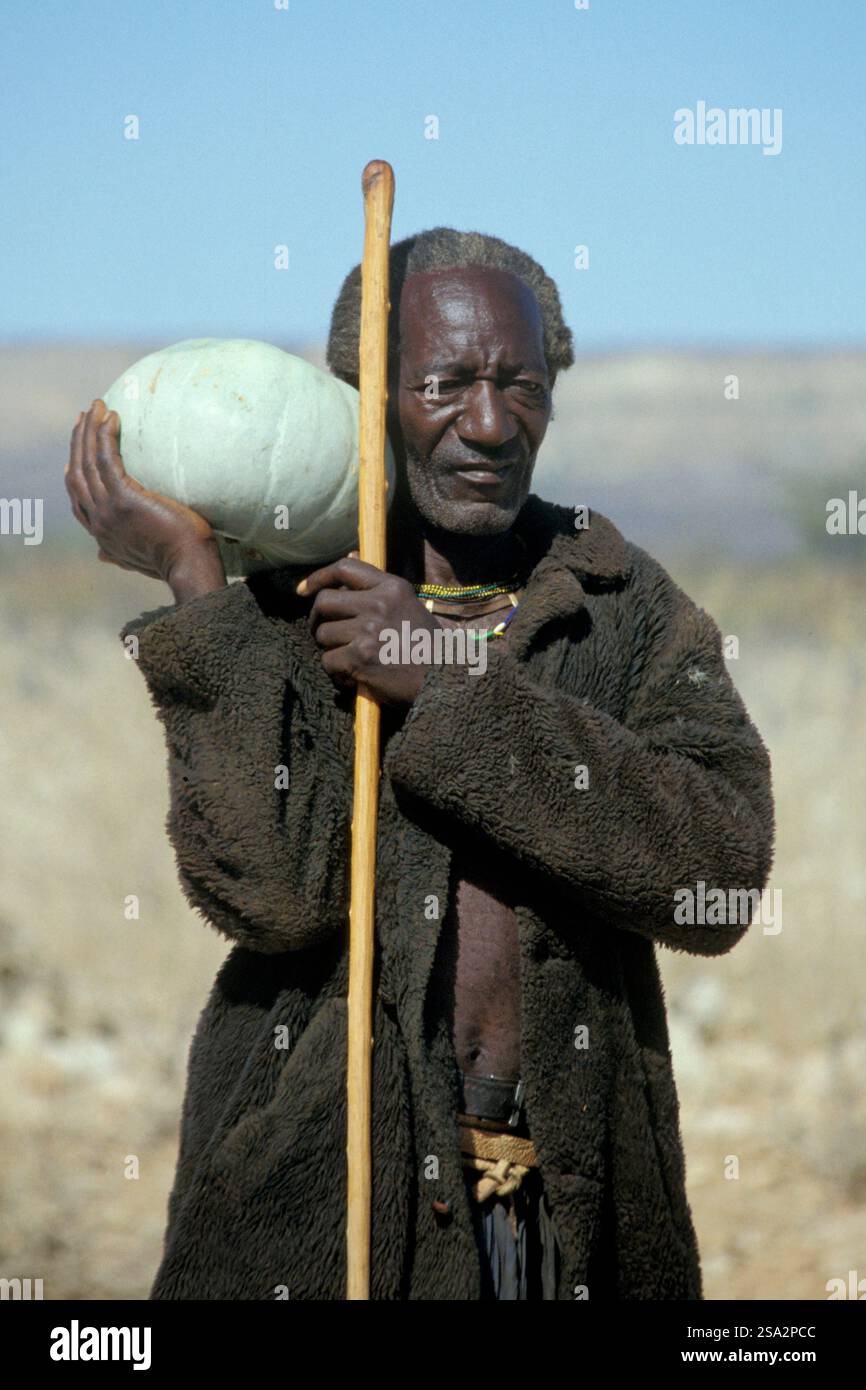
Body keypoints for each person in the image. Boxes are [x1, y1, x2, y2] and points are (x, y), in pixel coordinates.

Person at [65, 227, 775, 1300]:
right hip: (325, 1204)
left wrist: (439, 682)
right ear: (370, 397)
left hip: (568, 1205)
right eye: (442, 383)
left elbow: (713, 871)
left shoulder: (618, 607)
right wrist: (194, 582)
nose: (487, 425)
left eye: (520, 385)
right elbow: (269, 897)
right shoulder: (293, 602)